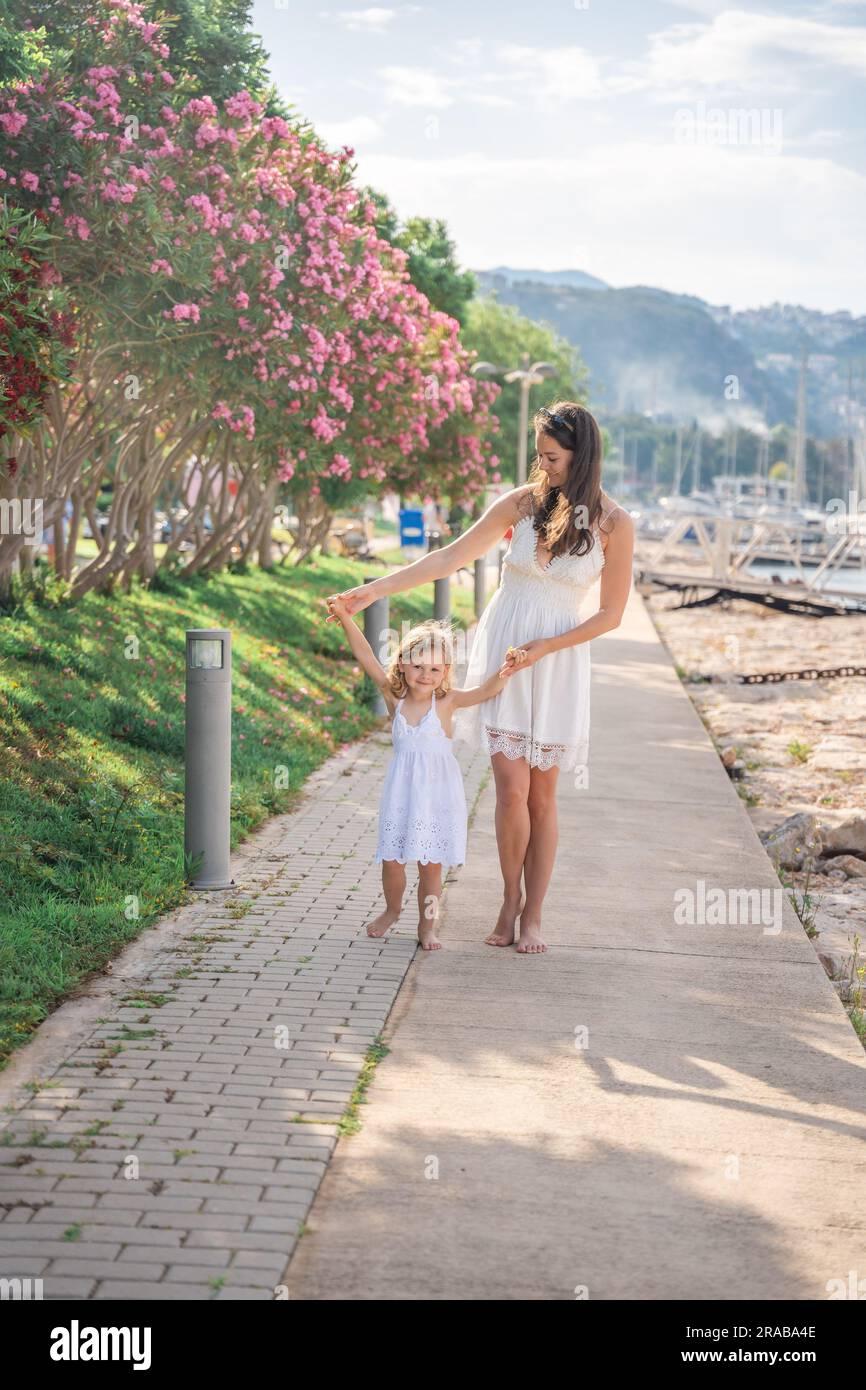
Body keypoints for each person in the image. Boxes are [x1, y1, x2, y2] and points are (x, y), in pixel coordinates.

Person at [324, 401, 634, 954]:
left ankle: (533, 914)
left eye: (555, 458)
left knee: (543, 797)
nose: (545, 467)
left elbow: (611, 614)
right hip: (505, 652)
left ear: (582, 456)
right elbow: (447, 558)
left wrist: (549, 646)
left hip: (556, 660)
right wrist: (373, 591)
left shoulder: (613, 522)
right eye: (539, 456)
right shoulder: (519, 504)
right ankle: (508, 898)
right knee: (511, 791)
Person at [326, 601, 516, 950]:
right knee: (392, 860)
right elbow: (367, 657)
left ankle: (428, 927)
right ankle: (392, 908)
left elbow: (487, 691)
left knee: (431, 868)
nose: (425, 675)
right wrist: (345, 619)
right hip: (401, 795)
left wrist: (509, 667)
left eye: (434, 668)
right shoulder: (394, 697)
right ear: (402, 663)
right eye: (417, 666)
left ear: (445, 671)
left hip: (438, 797)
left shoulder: (447, 702)